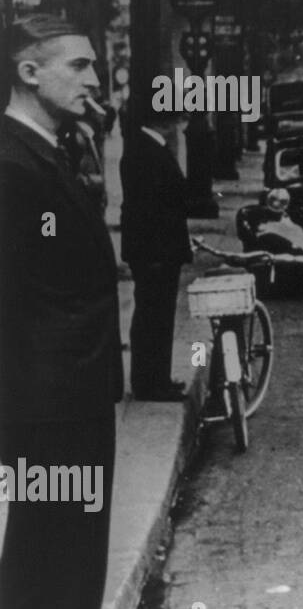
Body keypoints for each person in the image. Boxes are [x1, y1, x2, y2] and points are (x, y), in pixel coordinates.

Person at [0, 15, 122, 609]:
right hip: (46, 410)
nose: (94, 80)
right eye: (78, 66)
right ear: (28, 71)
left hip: (70, 399)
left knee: (64, 572)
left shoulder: (49, 152)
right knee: (52, 574)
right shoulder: (12, 166)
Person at [121, 106, 193, 401]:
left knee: (157, 316)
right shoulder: (147, 152)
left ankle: (156, 378)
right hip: (156, 251)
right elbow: (152, 208)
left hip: (155, 249)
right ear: (165, 121)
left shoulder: (144, 147)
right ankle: (151, 383)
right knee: (154, 317)